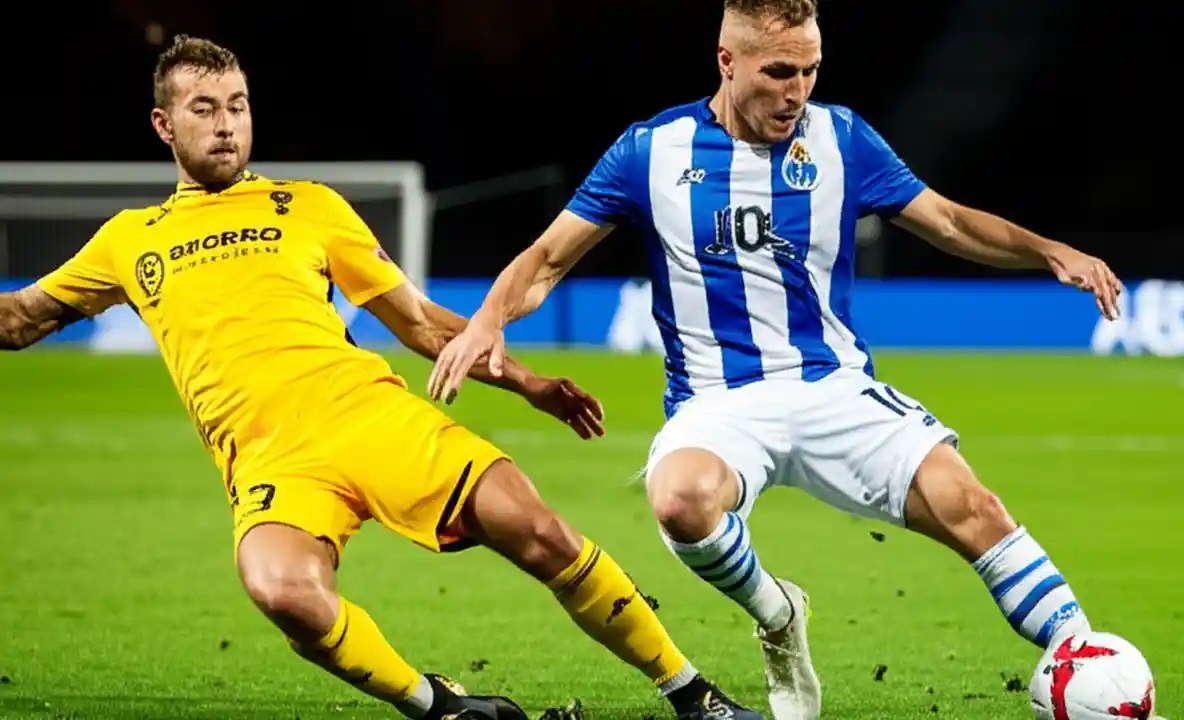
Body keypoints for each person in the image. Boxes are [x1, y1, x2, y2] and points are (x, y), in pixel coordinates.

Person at [0, 35, 763, 720]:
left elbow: (422, 325)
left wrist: (529, 384)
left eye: (238, 104)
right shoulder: (129, 240)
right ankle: (442, 707)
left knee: (540, 531)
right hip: (273, 464)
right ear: (165, 126)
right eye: (204, 109)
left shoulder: (308, 208)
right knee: (279, 589)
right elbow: (21, 319)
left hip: (372, 417)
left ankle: (693, 694)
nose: (227, 123)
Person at [427, 1, 1125, 718]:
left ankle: (1093, 670)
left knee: (970, 504)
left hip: (833, 386)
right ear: (727, 63)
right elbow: (545, 259)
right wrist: (488, 318)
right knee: (678, 500)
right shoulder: (650, 151)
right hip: (716, 401)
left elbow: (946, 220)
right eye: (780, 71)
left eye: (811, 70)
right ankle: (778, 613)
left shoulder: (843, 139)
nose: (798, 92)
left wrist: (1049, 251)